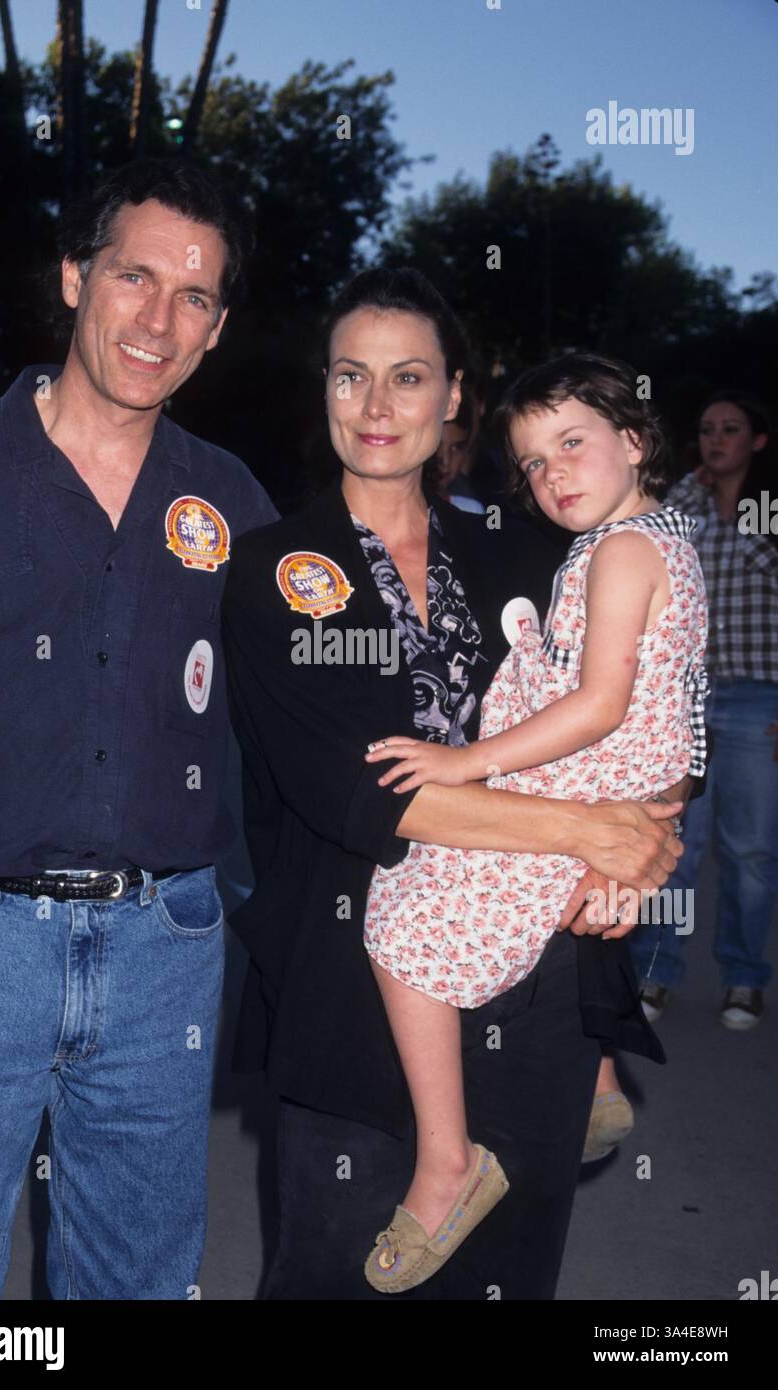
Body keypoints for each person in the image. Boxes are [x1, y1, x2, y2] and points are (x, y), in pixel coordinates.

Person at [222, 268, 685, 1300]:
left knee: (508, 1279)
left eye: (407, 377)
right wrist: (590, 832)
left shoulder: (535, 547)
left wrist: (656, 827)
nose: (378, 407)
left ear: (453, 397)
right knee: (333, 1276)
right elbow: (362, 795)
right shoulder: (269, 568)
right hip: (359, 986)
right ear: (324, 392)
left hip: (544, 984)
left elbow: (640, 689)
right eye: (351, 377)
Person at [0, 158, 276, 1299]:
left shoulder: (235, 505)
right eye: (133, 275)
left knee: (137, 1280)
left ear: (217, 329)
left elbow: (319, 719)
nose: (159, 318)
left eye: (196, 296)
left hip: (166, 949)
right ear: (75, 278)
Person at [361, 353, 708, 1291]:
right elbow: (673, 708)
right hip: (608, 793)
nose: (552, 476)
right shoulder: (654, 540)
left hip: (580, 786)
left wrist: (463, 761)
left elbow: (599, 704)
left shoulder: (626, 551)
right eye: (533, 464)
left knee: (400, 926)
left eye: (571, 446)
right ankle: (595, 1077)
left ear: (634, 442)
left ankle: (448, 1159)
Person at [631, 391, 778, 1029]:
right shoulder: (685, 503)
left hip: (758, 694)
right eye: (707, 429)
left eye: (731, 429)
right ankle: (655, 971)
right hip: (686, 693)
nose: (716, 439)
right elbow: (654, 541)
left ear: (758, 440)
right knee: (678, 845)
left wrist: (729, 507)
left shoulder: (768, 506)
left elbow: (762, 561)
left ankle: (743, 979)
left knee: (749, 851)